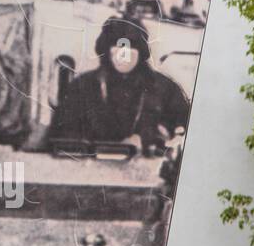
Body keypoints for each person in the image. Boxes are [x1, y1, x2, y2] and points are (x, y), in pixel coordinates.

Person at [49, 16, 190, 152]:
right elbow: (62, 132)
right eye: (117, 46)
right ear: (106, 49)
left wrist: (148, 138)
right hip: (90, 168)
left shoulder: (164, 88)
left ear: (141, 51)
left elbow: (183, 127)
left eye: (130, 47)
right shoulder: (82, 86)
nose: (123, 55)